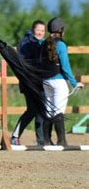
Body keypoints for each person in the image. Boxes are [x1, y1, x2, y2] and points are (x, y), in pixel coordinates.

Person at [40, 17, 84, 146]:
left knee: (49, 110)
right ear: (61, 31)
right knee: (58, 112)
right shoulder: (61, 44)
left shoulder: (43, 43)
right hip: (58, 83)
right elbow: (65, 67)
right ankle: (62, 141)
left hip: (45, 81)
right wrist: (75, 83)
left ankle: (46, 140)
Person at [11, 20, 46, 145]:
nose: (40, 33)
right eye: (38, 30)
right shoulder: (25, 43)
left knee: (40, 110)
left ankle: (41, 140)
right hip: (29, 82)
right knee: (32, 109)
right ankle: (15, 136)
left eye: (42, 30)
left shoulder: (43, 43)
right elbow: (24, 63)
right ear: (33, 30)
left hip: (40, 82)